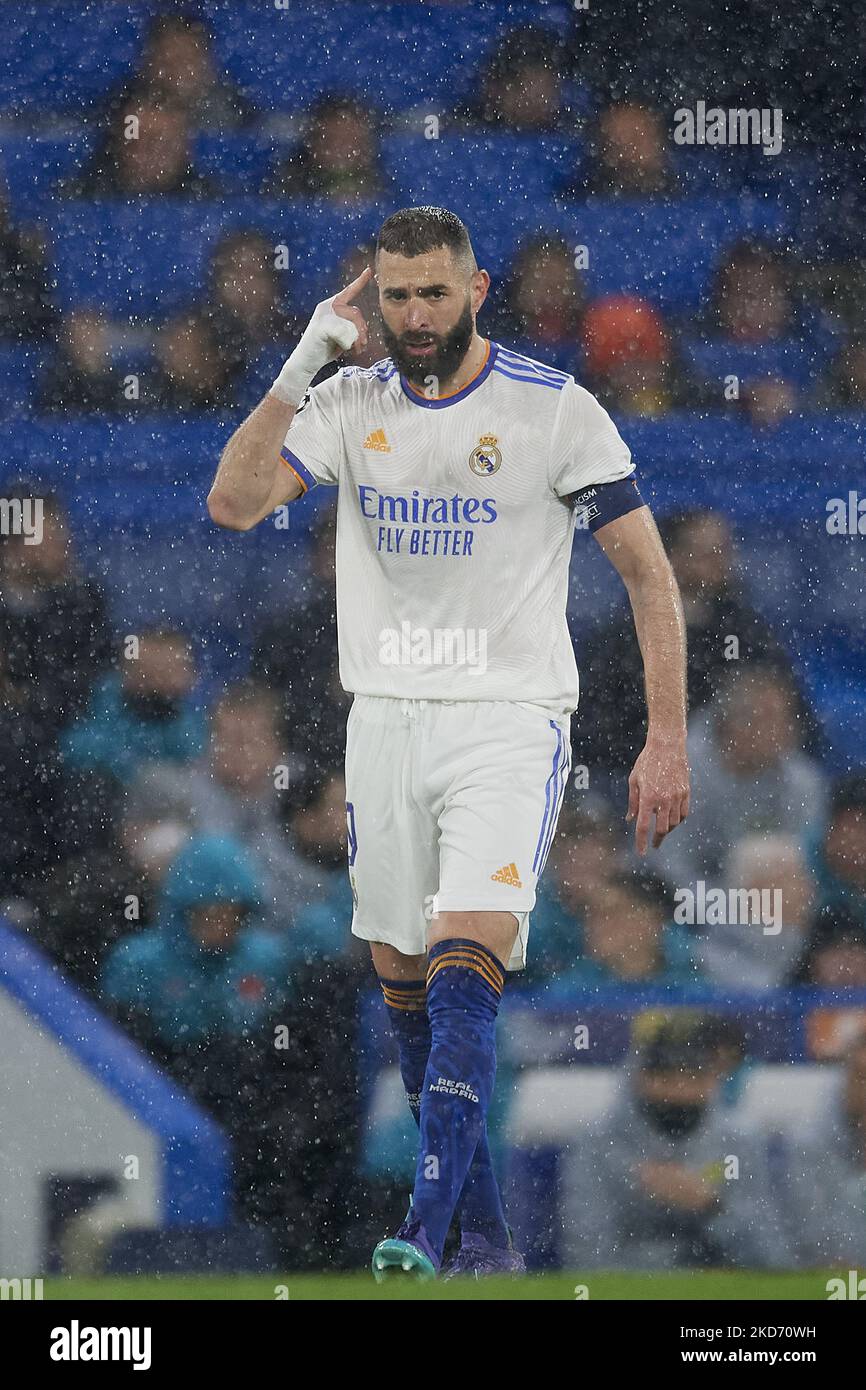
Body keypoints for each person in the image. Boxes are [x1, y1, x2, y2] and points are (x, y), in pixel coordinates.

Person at [207, 205, 691, 1281]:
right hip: (379, 720)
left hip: (509, 719)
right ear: (371, 301)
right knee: (407, 984)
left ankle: (422, 1227)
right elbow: (233, 502)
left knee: (468, 956)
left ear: (474, 291)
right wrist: (301, 360)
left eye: (434, 292)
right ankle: (481, 1240)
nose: (415, 314)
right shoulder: (344, 403)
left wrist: (665, 738)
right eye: (395, 295)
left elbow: (648, 574)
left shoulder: (553, 409)